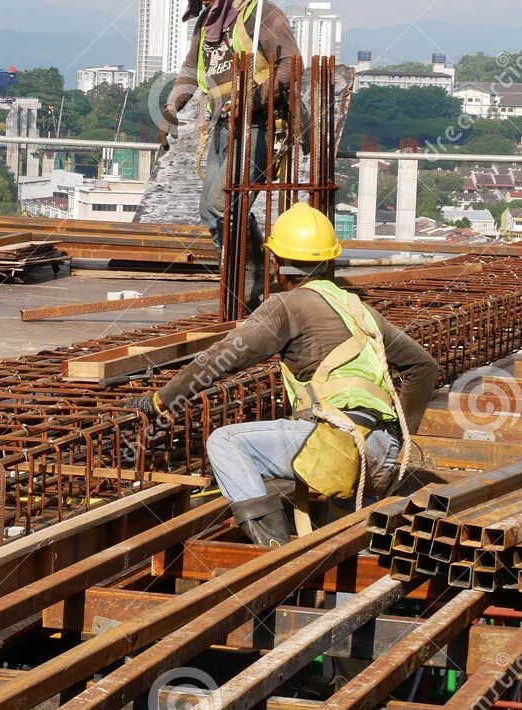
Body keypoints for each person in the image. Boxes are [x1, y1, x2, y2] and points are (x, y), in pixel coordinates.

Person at [128, 202, 441, 547]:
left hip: (339, 445)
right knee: (337, 545)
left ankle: (274, 551)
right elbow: (423, 367)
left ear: (276, 264)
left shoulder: (286, 305)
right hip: (382, 449)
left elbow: (221, 359)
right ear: (329, 261)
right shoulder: (358, 309)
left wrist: (162, 401)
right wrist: (401, 437)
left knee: (225, 442)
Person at [159, 0, 304, 310]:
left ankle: (248, 285)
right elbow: (191, 72)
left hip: (259, 126)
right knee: (211, 210)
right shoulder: (207, 25)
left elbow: (291, 64)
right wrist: (173, 105)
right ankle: (248, 273)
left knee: (226, 206)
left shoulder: (261, 14)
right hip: (223, 128)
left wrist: (254, 97)